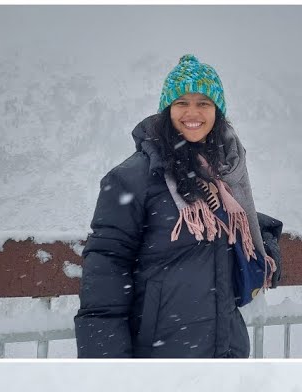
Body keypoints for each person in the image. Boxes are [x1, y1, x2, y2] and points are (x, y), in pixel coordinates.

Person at [76, 54, 281, 358]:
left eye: (204, 103)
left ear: (217, 112)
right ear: (167, 109)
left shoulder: (223, 176)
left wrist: (262, 242)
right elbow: (105, 274)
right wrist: (108, 366)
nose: (192, 112)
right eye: (182, 102)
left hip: (225, 352)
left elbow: (216, 249)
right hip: (161, 357)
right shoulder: (131, 179)